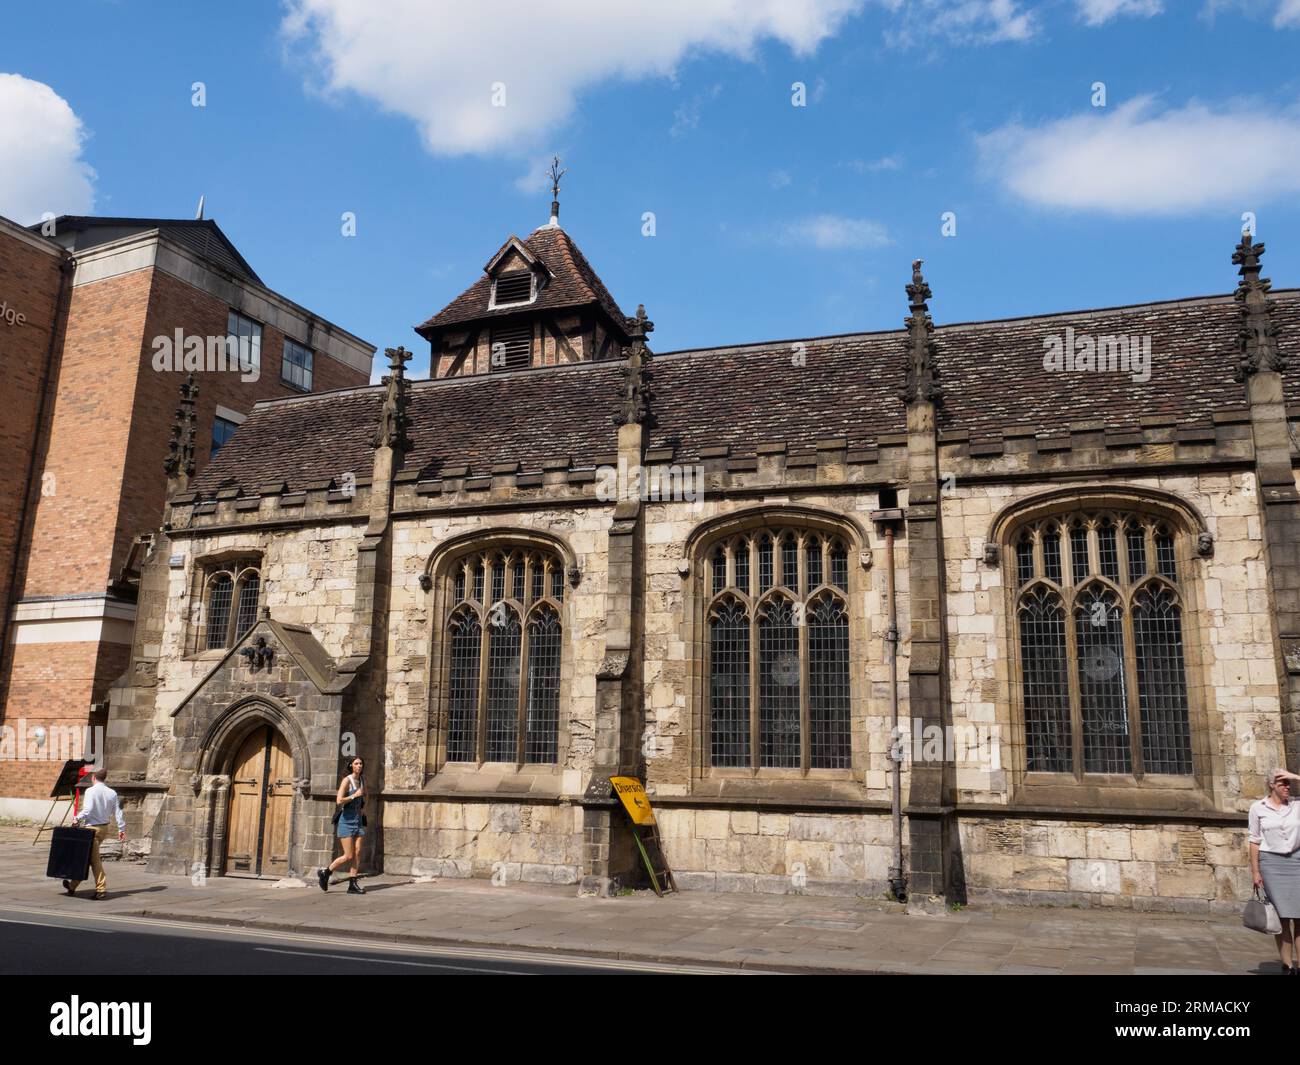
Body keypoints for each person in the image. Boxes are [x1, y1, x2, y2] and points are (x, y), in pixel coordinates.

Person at [1249, 767, 1300, 973]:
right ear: (1271, 786)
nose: (1287, 787)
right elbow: (1254, 840)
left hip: (1297, 861)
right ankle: (1287, 965)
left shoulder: (1297, 805)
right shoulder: (1258, 808)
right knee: (1282, 917)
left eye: (1288, 784)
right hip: (1271, 864)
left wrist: (1295, 776)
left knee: (1299, 917)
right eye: (1282, 784)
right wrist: (1256, 871)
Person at [63, 768, 126, 900]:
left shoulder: (90, 791)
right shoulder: (112, 793)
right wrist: (121, 829)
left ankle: (101, 889)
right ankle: (72, 886)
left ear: (93, 777)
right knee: (87, 858)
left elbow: (88, 809)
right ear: (104, 778)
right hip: (104, 829)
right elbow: (118, 812)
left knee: (94, 861)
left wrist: (77, 818)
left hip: (91, 830)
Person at [318, 757, 366, 894]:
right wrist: (353, 796)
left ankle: (352, 884)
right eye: (356, 763)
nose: (359, 766)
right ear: (351, 765)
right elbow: (339, 800)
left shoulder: (362, 780)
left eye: (361, 763)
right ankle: (325, 872)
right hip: (346, 821)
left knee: (357, 853)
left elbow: (365, 796)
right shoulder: (347, 780)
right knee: (348, 855)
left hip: (358, 821)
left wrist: (363, 808)